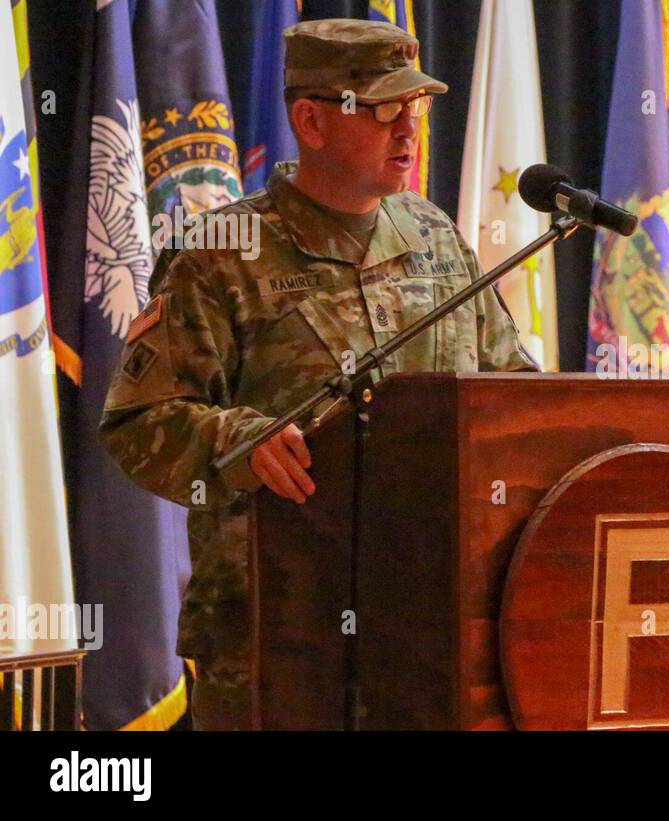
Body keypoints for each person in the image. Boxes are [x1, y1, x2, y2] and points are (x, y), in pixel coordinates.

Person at [99, 18, 536, 730]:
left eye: (417, 109)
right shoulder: (221, 253)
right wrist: (238, 440)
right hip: (277, 632)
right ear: (311, 120)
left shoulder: (435, 236)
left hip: (428, 626)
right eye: (384, 108)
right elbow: (136, 421)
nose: (408, 131)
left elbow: (511, 395)